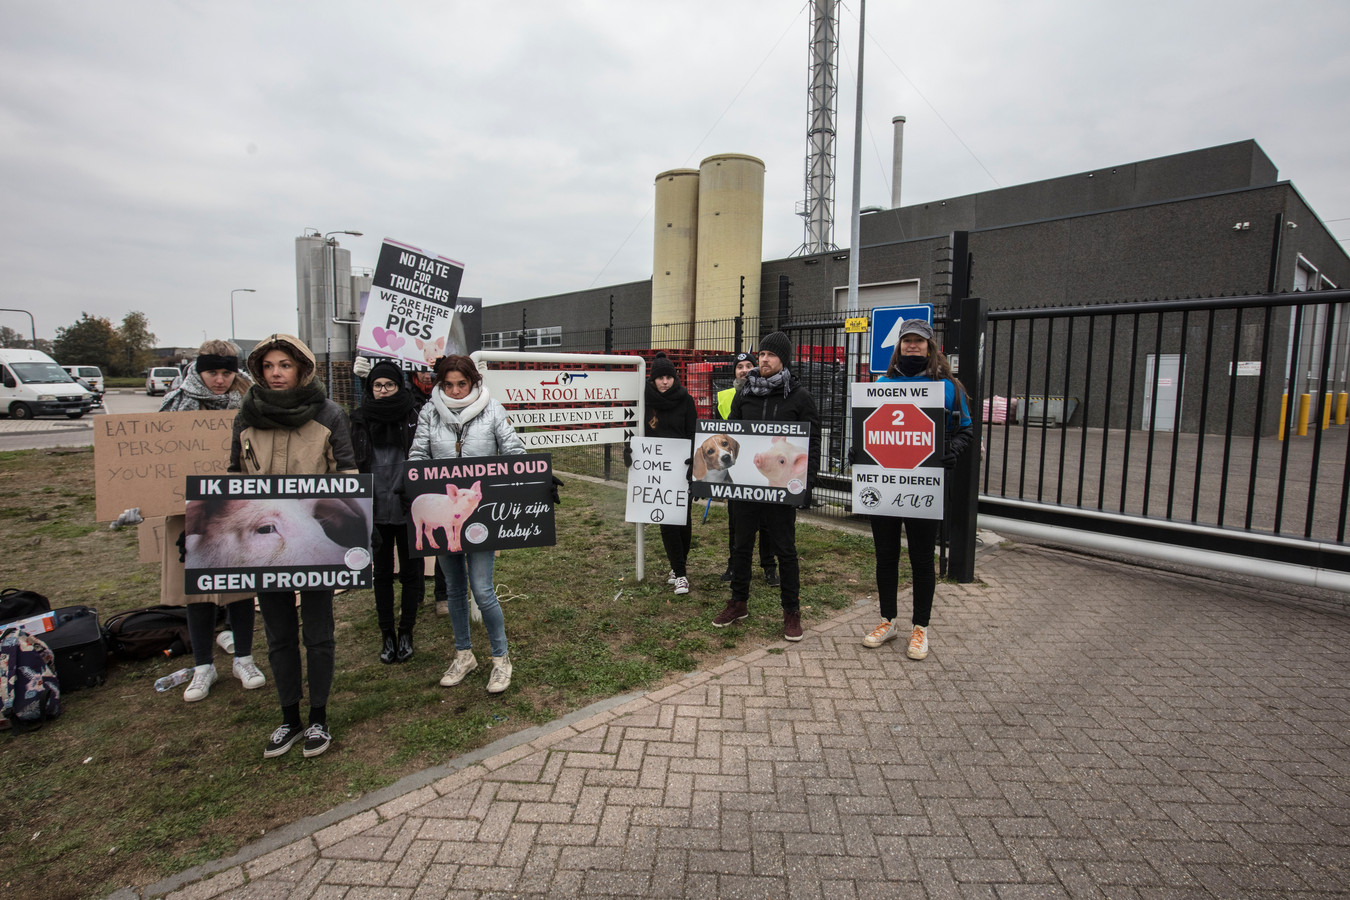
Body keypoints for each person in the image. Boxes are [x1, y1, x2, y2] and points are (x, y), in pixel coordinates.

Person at [229, 333, 358, 760]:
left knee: (317, 633)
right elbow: (233, 478)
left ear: (301, 368)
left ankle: (319, 718)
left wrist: (349, 528)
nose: (276, 373)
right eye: (268, 366)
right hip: (265, 548)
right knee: (279, 634)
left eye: (284, 365)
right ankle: (289, 718)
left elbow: (348, 475)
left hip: (311, 543)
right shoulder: (245, 417)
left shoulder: (329, 414)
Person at [408, 355, 526, 694]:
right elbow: (418, 455)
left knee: (483, 588)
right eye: (449, 385)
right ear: (440, 385)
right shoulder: (429, 413)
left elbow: (513, 451)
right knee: (455, 588)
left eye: (462, 384)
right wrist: (412, 483)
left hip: (481, 514)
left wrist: (536, 480)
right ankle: (464, 654)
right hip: (445, 515)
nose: (456, 390)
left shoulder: (493, 410)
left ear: (473, 382)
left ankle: (501, 659)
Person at [155, 339, 264, 703]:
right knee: (197, 588)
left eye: (226, 372)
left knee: (241, 584)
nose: (220, 380)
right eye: (212, 372)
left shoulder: (249, 402)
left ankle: (244, 658)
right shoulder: (177, 403)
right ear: (199, 371)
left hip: (236, 506)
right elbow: (159, 462)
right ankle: (203, 665)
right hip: (189, 510)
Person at [862, 320, 973, 660]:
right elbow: (866, 427)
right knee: (886, 557)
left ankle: (920, 627)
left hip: (924, 487)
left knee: (922, 559)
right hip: (885, 486)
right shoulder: (881, 384)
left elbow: (965, 430)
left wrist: (952, 451)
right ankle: (888, 620)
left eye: (919, 342)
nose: (912, 346)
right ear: (899, 346)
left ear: (930, 346)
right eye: (907, 341)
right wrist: (859, 451)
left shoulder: (949, 387)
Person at [713, 331, 820, 641]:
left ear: (783, 359)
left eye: (770, 355)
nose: (763, 359)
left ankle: (791, 612)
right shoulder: (745, 392)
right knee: (741, 545)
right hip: (746, 487)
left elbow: (812, 442)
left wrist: (806, 483)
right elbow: (731, 434)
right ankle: (738, 602)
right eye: (760, 355)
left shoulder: (799, 397)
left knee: (785, 550)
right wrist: (722, 474)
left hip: (782, 488)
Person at [348, 360, 422, 664]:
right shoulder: (358, 419)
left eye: (389, 385)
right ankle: (386, 633)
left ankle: (406, 631)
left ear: (399, 385)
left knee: (411, 573)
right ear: (370, 388)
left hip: (407, 508)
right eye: (377, 385)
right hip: (375, 509)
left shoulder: (415, 415)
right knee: (381, 575)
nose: (383, 391)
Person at [716, 350, 779, 585]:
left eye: (748, 365)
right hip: (736, 468)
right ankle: (734, 565)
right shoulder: (725, 397)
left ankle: (769, 567)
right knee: (736, 520)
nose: (744, 370)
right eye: (739, 366)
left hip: (763, 465)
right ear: (734, 371)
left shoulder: (768, 392)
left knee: (767, 521)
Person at [642, 353, 697, 595]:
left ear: (675, 378)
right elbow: (635, 431)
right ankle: (681, 574)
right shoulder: (643, 399)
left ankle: (678, 566)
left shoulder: (686, 400)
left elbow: (693, 433)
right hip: (656, 470)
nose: (664, 382)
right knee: (666, 520)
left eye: (668, 377)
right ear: (652, 380)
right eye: (660, 378)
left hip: (682, 468)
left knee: (683, 520)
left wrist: (693, 462)